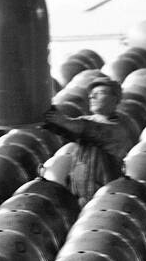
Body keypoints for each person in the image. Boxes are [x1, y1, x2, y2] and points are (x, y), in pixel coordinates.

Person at [45, 74, 134, 206]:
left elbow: (92, 130)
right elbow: (67, 129)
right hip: (79, 198)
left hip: (104, 201)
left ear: (115, 99)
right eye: (92, 94)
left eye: (100, 93)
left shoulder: (119, 128)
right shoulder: (87, 122)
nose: (92, 97)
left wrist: (64, 121)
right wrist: (45, 112)